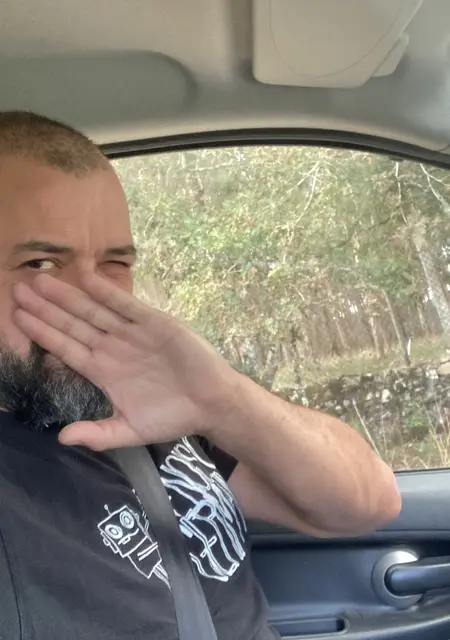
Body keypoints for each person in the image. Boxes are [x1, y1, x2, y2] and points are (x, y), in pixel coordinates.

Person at [0, 111, 401, 640]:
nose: (92, 300)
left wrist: (224, 400)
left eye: (115, 265)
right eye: (41, 264)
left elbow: (367, 504)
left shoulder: (161, 405)